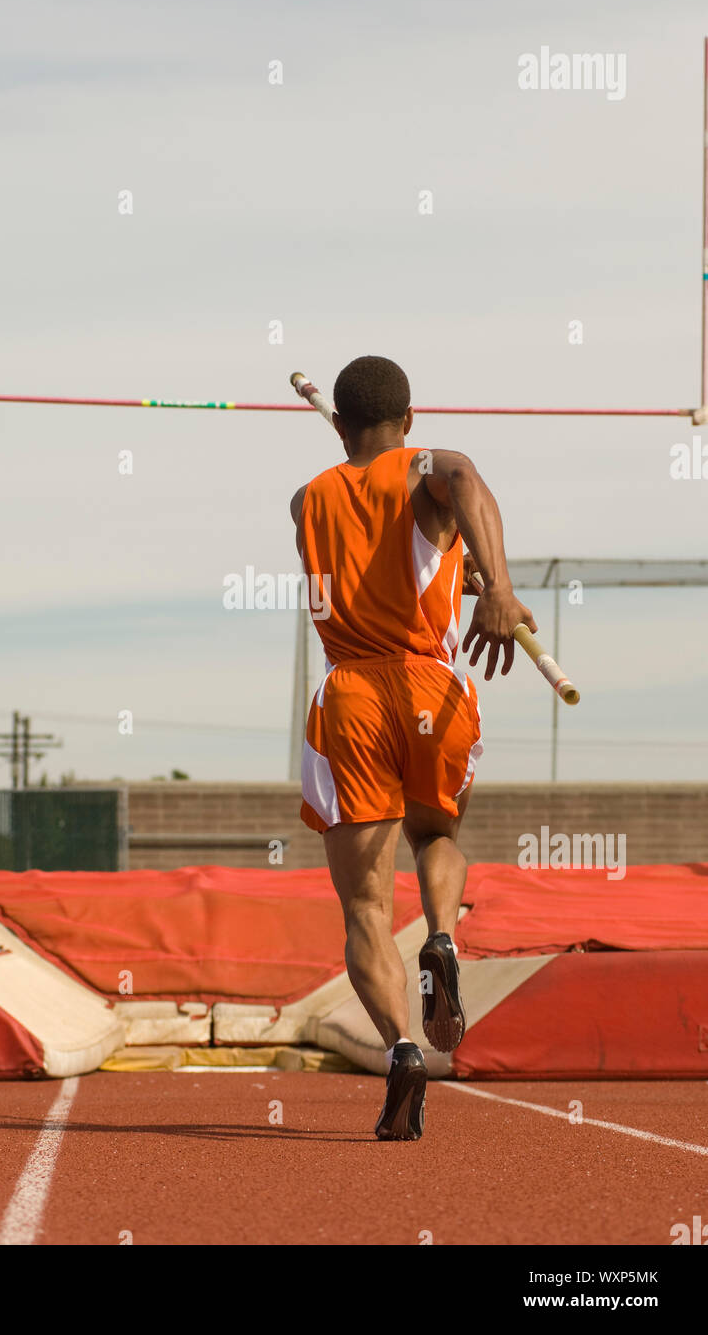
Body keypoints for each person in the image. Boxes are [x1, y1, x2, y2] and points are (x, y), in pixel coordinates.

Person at [290, 355, 536, 1140]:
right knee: (437, 833)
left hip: (352, 696)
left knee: (362, 904)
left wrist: (469, 576)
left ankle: (400, 1049)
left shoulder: (304, 501)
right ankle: (440, 935)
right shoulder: (425, 470)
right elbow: (459, 475)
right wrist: (491, 584)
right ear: (410, 417)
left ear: (339, 422)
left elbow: (363, 579)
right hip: (431, 689)